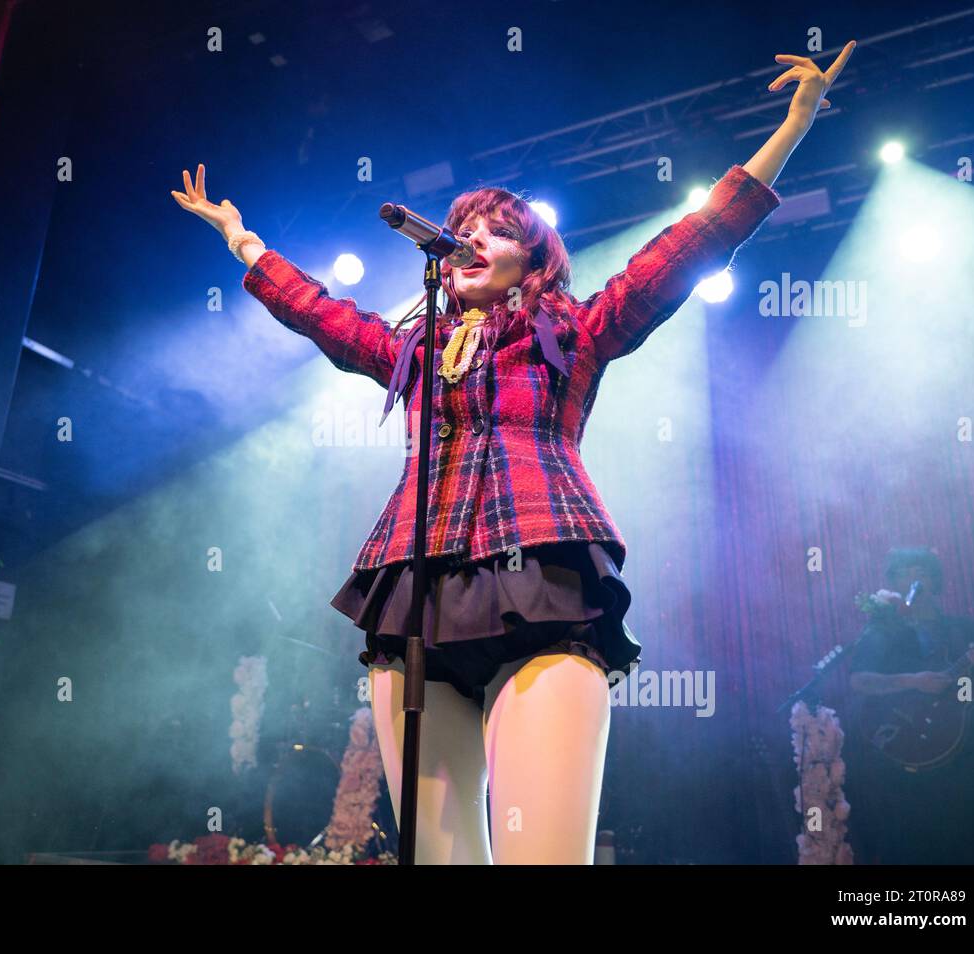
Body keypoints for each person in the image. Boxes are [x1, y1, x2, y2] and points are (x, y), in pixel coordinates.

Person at [173, 42, 857, 864]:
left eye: (493, 233)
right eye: (460, 230)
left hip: (541, 574)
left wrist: (795, 125)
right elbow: (322, 314)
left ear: (533, 259)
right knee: (440, 858)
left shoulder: (575, 330)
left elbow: (687, 248)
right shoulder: (414, 346)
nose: (468, 241)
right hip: (416, 584)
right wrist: (245, 244)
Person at [845, 547, 974, 864]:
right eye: (906, 570)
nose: (915, 575)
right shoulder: (884, 632)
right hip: (911, 764)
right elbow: (859, 681)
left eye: (922, 569)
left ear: (935, 579)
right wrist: (912, 680)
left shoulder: (964, 629)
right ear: (895, 581)